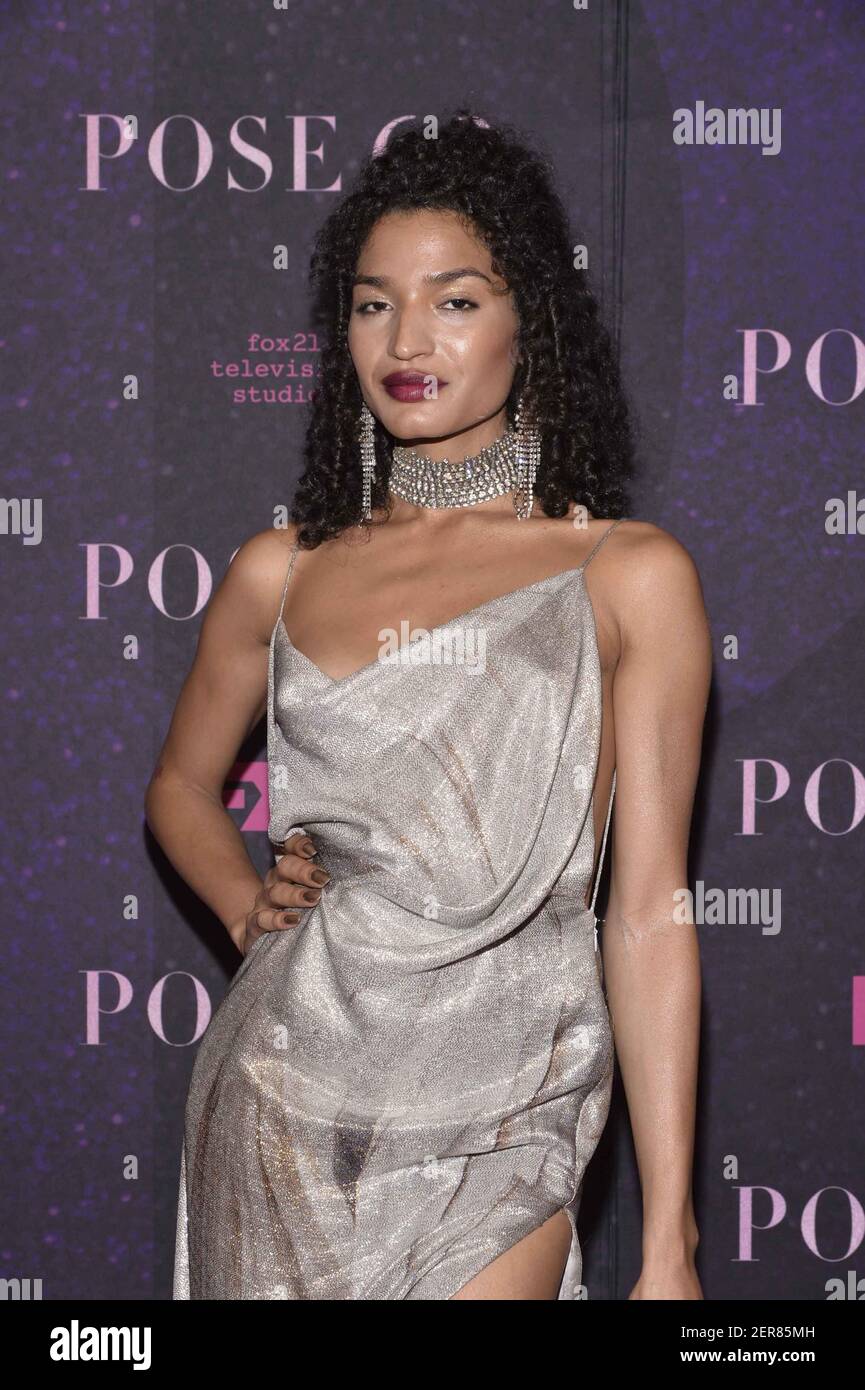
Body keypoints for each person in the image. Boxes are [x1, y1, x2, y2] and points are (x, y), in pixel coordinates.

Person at [146, 110, 711, 1300]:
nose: (407, 339)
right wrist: (246, 902)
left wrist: (669, 1243)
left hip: (508, 1108)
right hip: (286, 1096)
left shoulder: (625, 574)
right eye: (371, 303)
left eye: (454, 299)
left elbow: (648, 911)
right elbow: (179, 787)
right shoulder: (281, 567)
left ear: (530, 323)